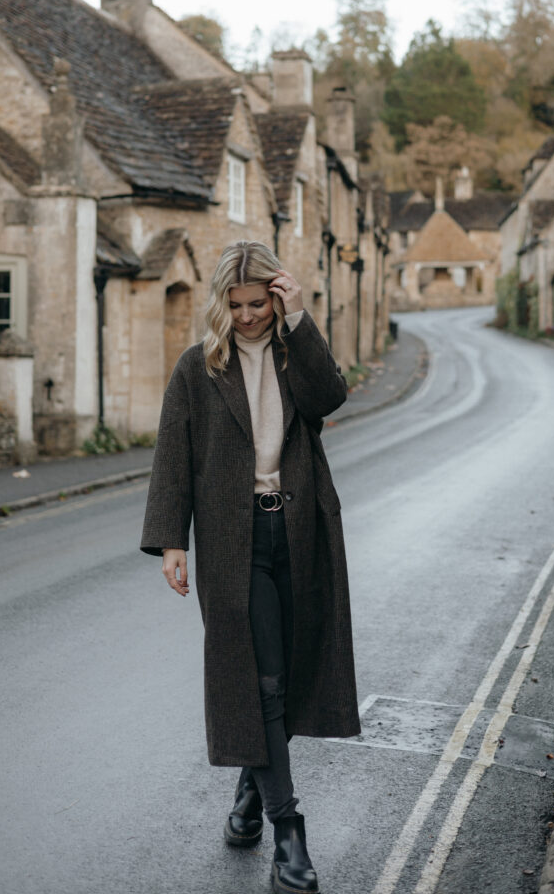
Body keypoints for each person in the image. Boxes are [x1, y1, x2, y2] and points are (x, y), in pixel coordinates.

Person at [140, 240, 360, 894]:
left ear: (275, 296)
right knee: (259, 678)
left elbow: (329, 399)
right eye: (234, 306)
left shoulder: (296, 353)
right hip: (234, 542)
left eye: (257, 304)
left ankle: (248, 787)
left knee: (287, 671)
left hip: (300, 530)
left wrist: (300, 318)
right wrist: (170, 541)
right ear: (220, 304)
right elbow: (172, 457)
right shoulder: (197, 368)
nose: (246, 316)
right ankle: (288, 832)